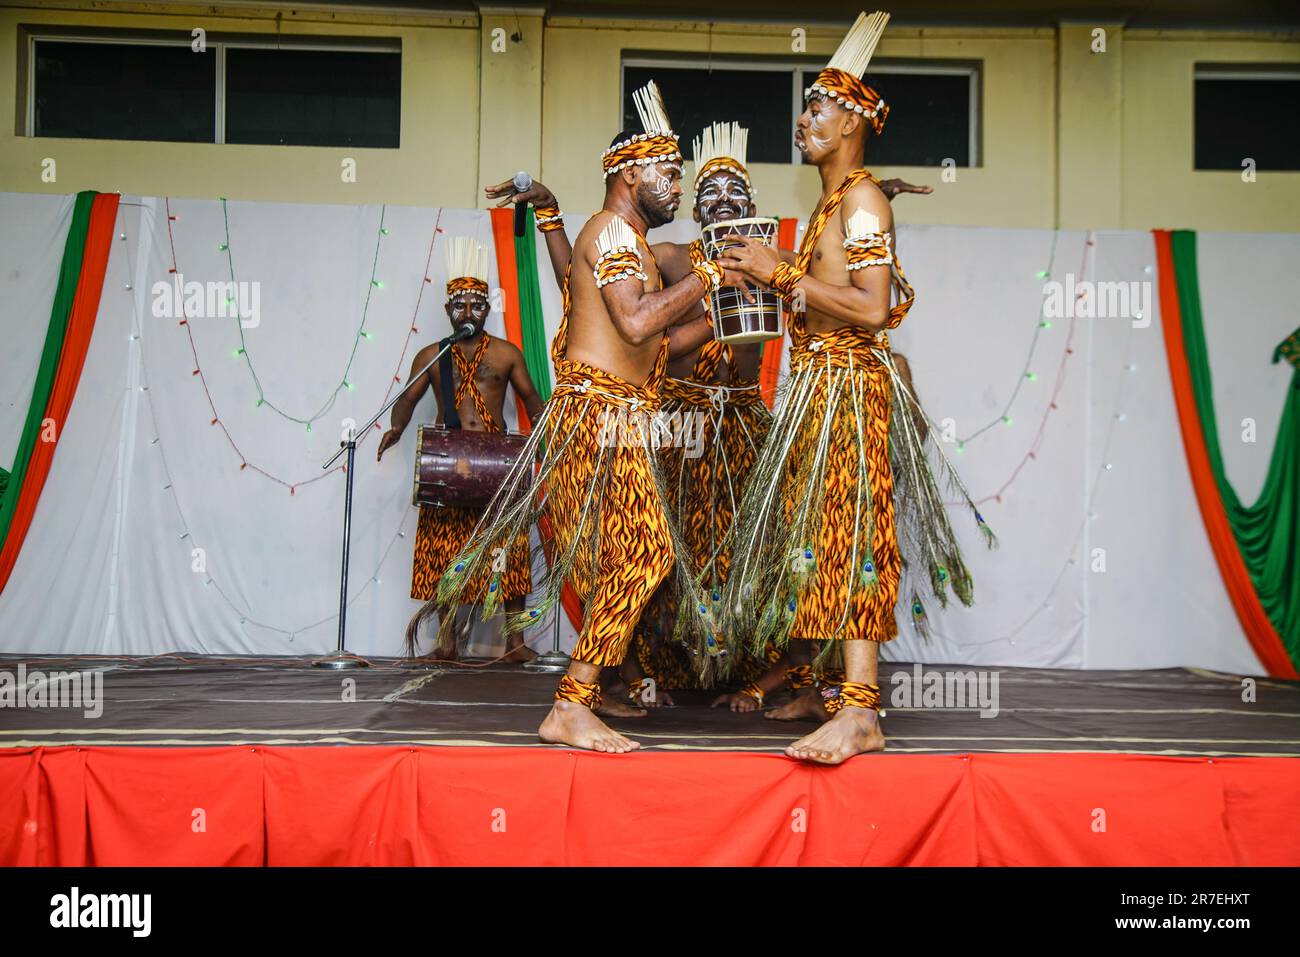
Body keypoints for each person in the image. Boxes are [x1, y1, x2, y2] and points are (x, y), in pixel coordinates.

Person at [409, 81, 742, 752]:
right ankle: (573, 700)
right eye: (667, 172)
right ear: (628, 173)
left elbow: (656, 342)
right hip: (601, 416)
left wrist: (719, 315)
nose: (676, 187)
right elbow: (637, 316)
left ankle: (588, 693)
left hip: (611, 415)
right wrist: (706, 275)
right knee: (645, 553)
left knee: (616, 560)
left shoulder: (631, 242)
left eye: (679, 173)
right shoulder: (616, 230)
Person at [717, 10, 992, 762]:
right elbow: (825, 289)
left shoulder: (861, 202)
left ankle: (862, 712)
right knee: (816, 543)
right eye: (806, 106)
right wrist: (763, 279)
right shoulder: (837, 203)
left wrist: (780, 271)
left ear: (853, 122)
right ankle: (825, 688)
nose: (804, 119)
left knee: (851, 542)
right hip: (818, 389)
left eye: (817, 108)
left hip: (849, 390)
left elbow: (871, 308)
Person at [378, 237, 544, 663]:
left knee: (507, 550)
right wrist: (397, 426)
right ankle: (449, 642)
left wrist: (547, 440)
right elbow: (409, 400)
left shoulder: (507, 354)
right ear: (447, 309)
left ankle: (515, 643)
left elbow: (532, 400)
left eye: (477, 305)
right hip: (449, 464)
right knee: (445, 551)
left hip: (497, 464)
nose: (468, 313)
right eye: (460, 306)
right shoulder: (433, 355)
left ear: (489, 308)